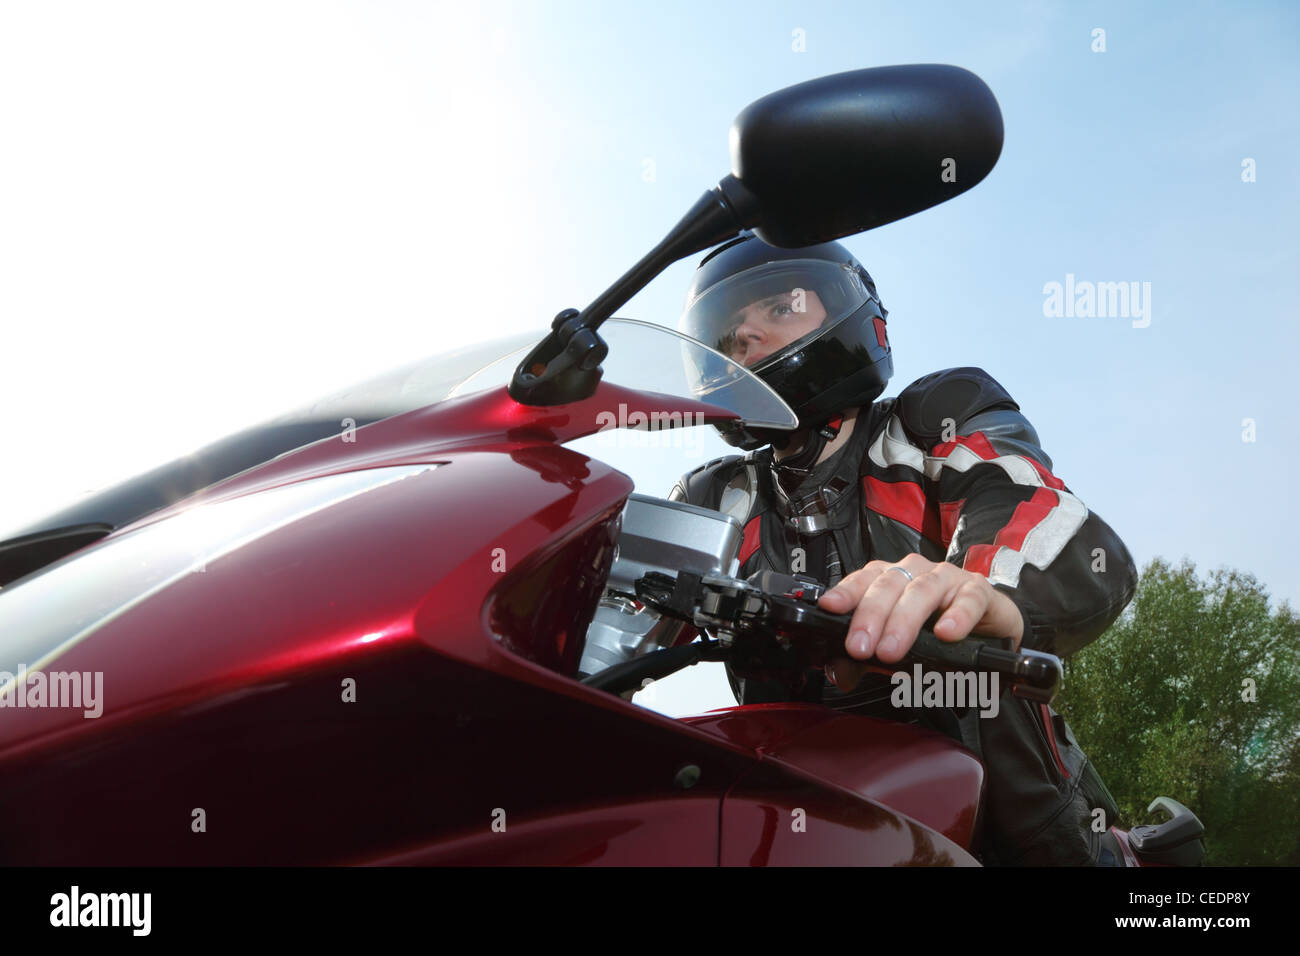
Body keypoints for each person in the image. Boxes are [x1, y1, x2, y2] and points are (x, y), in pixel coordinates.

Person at [668, 231, 1138, 866]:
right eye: (728, 332)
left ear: (850, 314)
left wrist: (980, 589)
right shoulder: (714, 495)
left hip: (1010, 824)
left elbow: (1039, 514)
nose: (744, 337)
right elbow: (618, 615)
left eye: (780, 307)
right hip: (791, 824)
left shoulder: (931, 422)